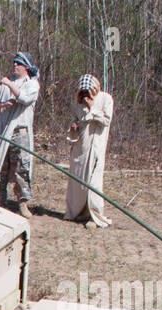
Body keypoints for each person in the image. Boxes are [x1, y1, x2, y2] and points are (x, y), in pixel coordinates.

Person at [0, 52, 41, 217]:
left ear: (26, 67)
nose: (15, 65)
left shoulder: (31, 84)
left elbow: (24, 98)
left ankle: (22, 203)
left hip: (20, 132)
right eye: (14, 63)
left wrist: (10, 85)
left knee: (21, 169)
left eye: (19, 63)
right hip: (1, 132)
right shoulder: (4, 82)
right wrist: (1, 104)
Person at [65, 74, 114, 229]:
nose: (85, 95)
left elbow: (106, 120)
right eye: (83, 92)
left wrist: (92, 108)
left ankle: (95, 216)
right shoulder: (77, 104)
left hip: (96, 146)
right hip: (81, 147)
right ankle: (77, 213)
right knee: (78, 180)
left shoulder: (105, 99)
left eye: (88, 92)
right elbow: (75, 119)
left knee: (93, 181)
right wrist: (73, 126)